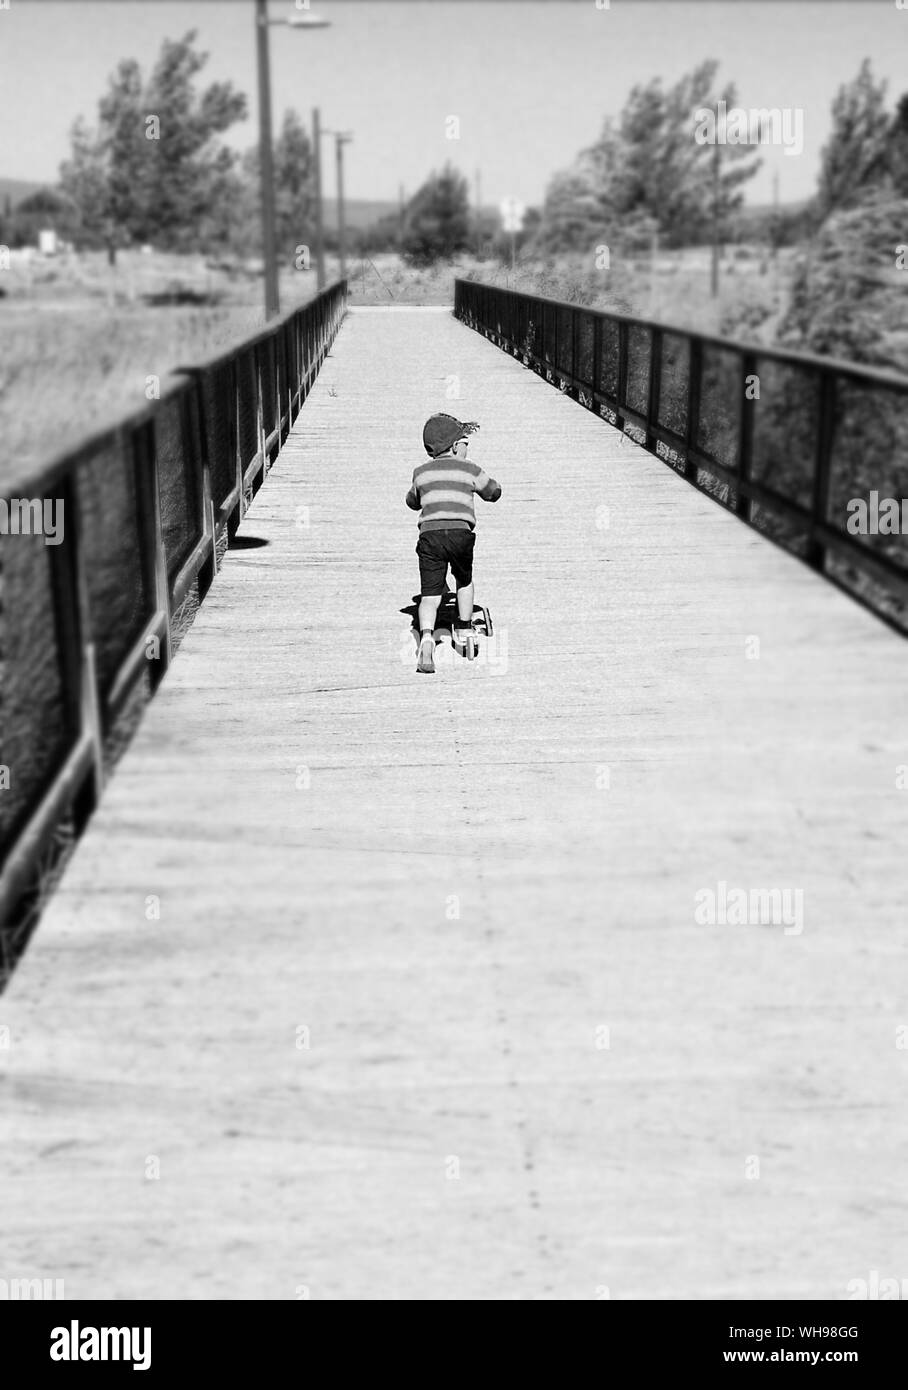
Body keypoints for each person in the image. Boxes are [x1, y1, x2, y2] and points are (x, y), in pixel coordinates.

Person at [406, 413, 502, 674]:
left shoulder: (421, 473)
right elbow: (492, 492)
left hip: (430, 536)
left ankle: (426, 638)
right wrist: (492, 487)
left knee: (430, 594)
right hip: (460, 535)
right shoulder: (468, 469)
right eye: (464, 440)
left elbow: (412, 501)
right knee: (463, 579)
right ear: (456, 445)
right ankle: (463, 627)